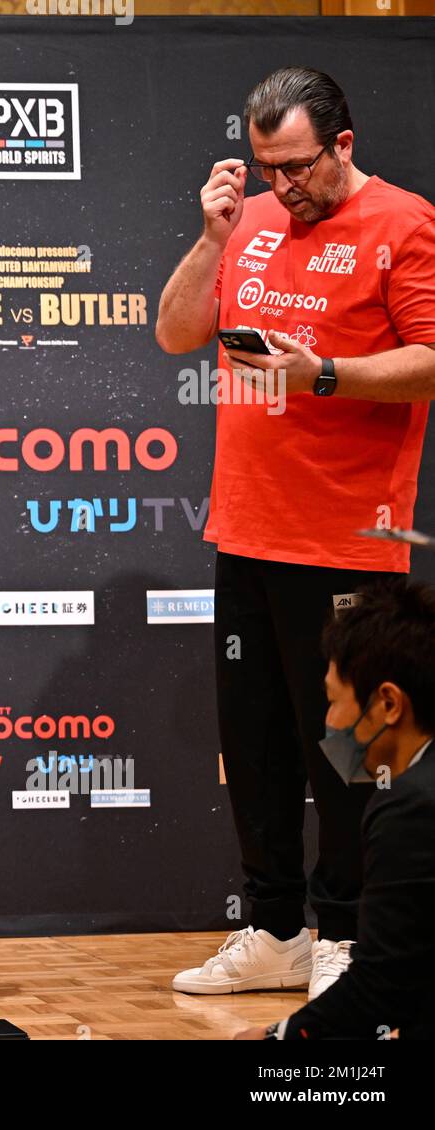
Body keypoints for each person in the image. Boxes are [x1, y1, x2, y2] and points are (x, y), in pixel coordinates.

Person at [156, 66, 435, 1000]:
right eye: (268, 166)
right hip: (246, 529)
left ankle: (345, 939)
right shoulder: (252, 220)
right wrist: (212, 237)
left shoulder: (404, 222)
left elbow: (431, 362)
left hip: (350, 542)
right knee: (262, 747)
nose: (283, 186)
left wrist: (325, 376)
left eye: (299, 167)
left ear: (343, 147)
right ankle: (273, 929)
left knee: (347, 754)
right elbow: (175, 332)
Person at [237, 579, 435, 1039]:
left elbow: (380, 990)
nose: (326, 723)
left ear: (388, 702)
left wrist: (276, 1037)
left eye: (332, 701)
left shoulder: (411, 810)